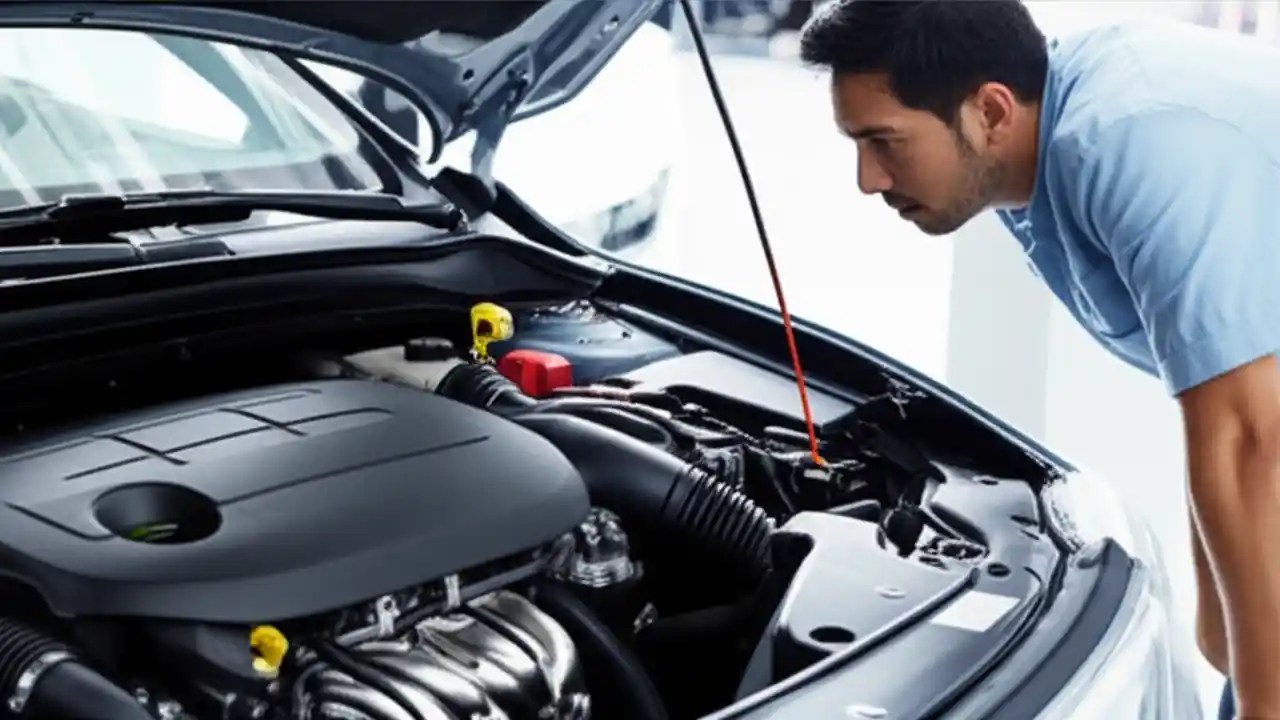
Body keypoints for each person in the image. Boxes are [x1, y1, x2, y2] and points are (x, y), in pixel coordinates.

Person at [797, 1, 1280, 718]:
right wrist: (1225, 633)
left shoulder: (1127, 140)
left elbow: (1245, 436)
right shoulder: (1044, 142)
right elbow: (1221, 397)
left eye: (885, 141)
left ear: (990, 110)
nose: (868, 178)